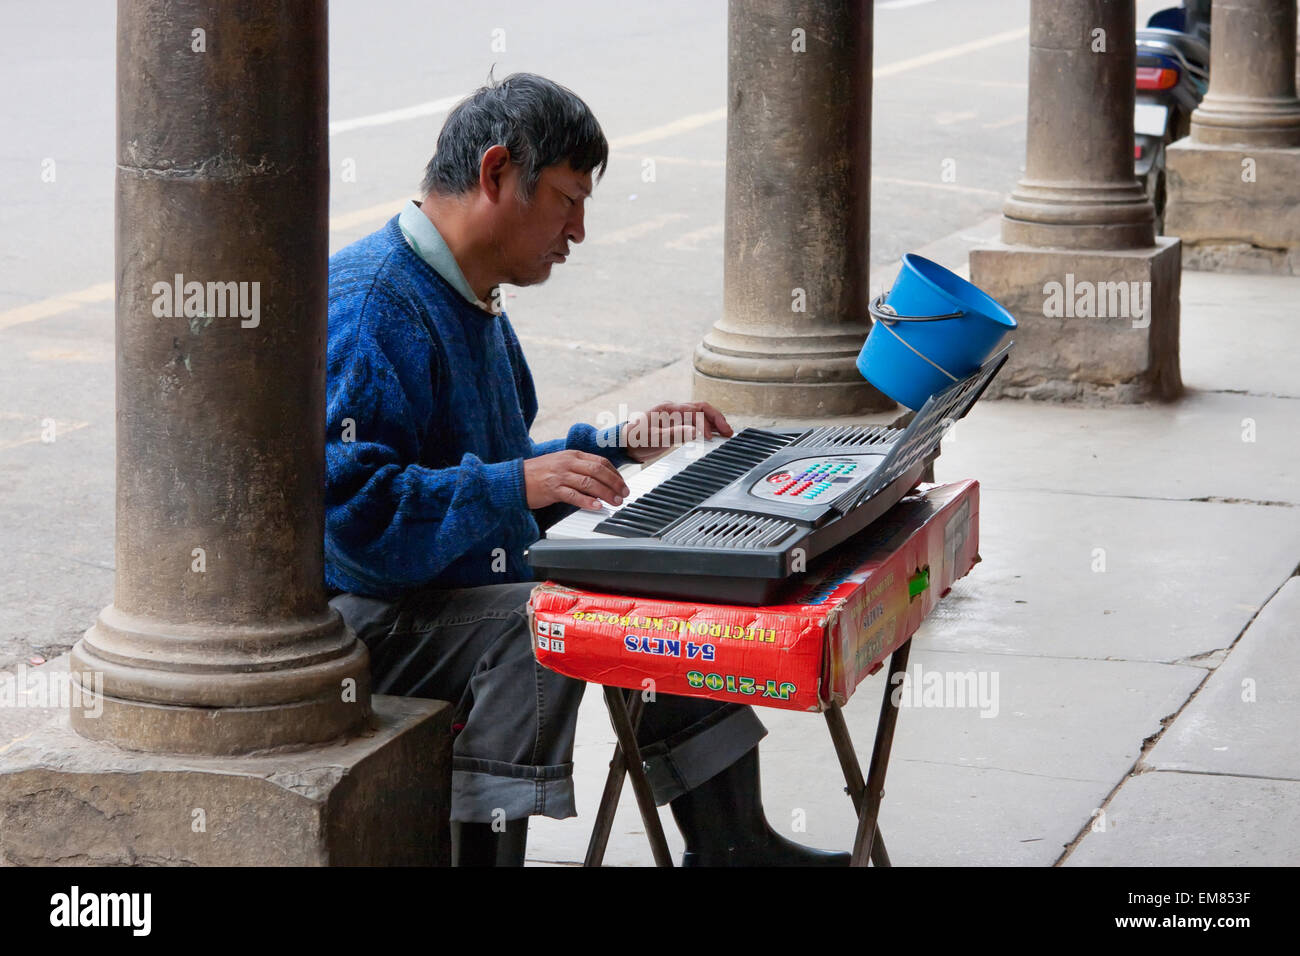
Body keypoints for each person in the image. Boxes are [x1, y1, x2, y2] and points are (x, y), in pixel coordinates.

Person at [324, 71, 848, 867]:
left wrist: (617, 447)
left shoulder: (470, 292)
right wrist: (515, 485)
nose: (576, 231)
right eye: (568, 200)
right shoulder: (373, 305)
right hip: (372, 615)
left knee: (665, 579)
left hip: (447, 589)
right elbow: (356, 522)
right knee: (545, 618)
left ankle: (733, 844)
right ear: (496, 174)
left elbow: (498, 473)